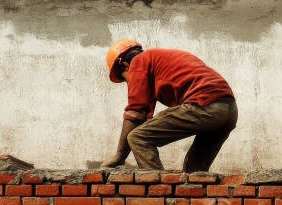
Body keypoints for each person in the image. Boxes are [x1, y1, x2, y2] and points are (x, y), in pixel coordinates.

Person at [101, 40, 238, 172]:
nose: (130, 84)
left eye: (125, 79)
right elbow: (144, 114)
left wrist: (119, 156)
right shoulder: (159, 59)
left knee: (138, 138)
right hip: (228, 111)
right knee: (194, 170)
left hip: (204, 104)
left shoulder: (138, 61)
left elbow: (136, 113)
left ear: (124, 65)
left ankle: (157, 186)